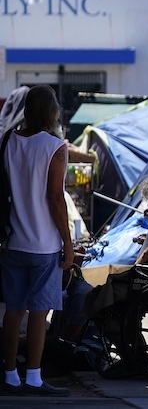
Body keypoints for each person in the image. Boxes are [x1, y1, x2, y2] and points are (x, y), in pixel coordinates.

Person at [0, 85, 72, 397]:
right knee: (39, 314)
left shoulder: (8, 142)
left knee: (12, 312)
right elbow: (55, 197)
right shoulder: (55, 146)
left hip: (13, 241)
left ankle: (9, 376)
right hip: (44, 245)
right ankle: (33, 377)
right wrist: (68, 244)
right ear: (52, 111)